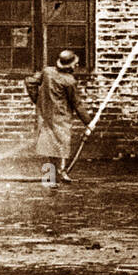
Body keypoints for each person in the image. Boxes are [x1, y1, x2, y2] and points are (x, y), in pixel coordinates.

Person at [25, 49, 92, 186]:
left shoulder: (47, 71)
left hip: (46, 114)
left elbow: (30, 82)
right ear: (70, 65)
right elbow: (77, 104)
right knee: (59, 145)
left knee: (52, 145)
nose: (76, 66)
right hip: (61, 117)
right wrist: (88, 122)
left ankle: (59, 173)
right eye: (75, 64)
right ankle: (54, 176)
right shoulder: (69, 81)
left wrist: (37, 101)